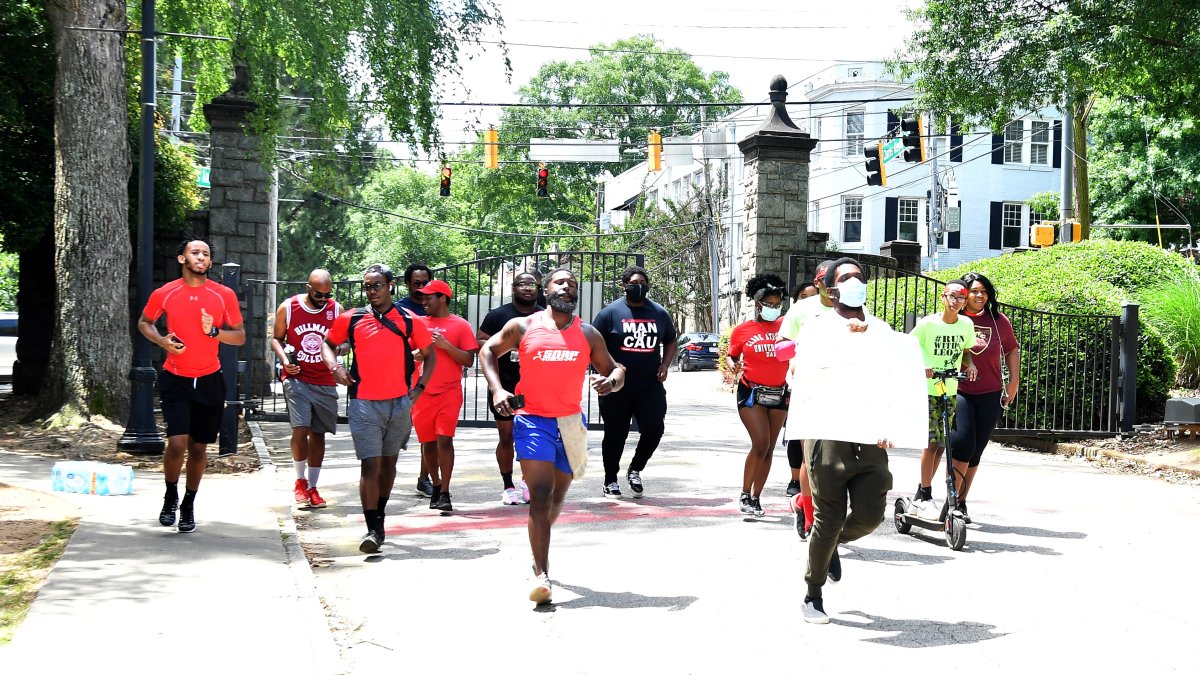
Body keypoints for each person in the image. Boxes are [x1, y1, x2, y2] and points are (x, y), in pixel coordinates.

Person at [480, 268, 626, 605]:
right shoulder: (523, 326)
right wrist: (497, 388)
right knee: (541, 495)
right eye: (560, 282)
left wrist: (611, 382)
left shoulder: (587, 334)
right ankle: (542, 575)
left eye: (572, 284)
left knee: (557, 499)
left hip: (570, 424)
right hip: (532, 420)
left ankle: (538, 547)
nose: (566, 287)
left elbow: (616, 369)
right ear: (546, 290)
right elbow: (487, 350)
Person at [790, 257, 918, 625]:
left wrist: (896, 424)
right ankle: (813, 594)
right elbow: (801, 370)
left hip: (870, 435)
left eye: (859, 277)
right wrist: (842, 340)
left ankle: (831, 544)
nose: (854, 282)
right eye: (846, 277)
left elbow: (900, 372)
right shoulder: (816, 328)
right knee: (828, 516)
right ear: (831, 290)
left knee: (870, 516)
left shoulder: (882, 330)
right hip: (828, 433)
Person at [323, 264, 435, 554]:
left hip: (399, 403)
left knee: (388, 464)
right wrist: (335, 368)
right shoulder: (352, 318)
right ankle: (372, 528)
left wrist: (419, 388)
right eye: (368, 287)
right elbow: (327, 344)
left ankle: (380, 518)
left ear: (390, 286)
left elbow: (429, 355)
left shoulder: (409, 320)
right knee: (370, 464)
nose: (372, 291)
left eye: (377, 286)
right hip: (364, 403)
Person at [138, 237, 246, 533]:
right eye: (195, 252)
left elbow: (239, 336)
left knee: (198, 448)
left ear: (210, 262)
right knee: (177, 443)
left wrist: (214, 332)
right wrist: (161, 341)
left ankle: (188, 503)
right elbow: (145, 322)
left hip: (210, 379)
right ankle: (170, 495)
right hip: (176, 378)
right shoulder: (166, 292)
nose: (201, 257)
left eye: (206, 254)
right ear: (182, 259)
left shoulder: (223, 295)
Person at [590, 265, 677, 498]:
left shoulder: (658, 312)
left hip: (649, 385)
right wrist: (605, 371)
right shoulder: (610, 313)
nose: (639, 287)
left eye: (643, 283)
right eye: (634, 283)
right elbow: (592, 344)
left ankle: (635, 469)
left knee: (654, 428)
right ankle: (610, 479)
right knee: (615, 434)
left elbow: (671, 340)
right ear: (624, 285)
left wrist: (665, 365)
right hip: (617, 386)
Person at [948, 272, 1020, 523]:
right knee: (963, 445)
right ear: (964, 294)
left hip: (990, 393)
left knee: (976, 451)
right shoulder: (955, 318)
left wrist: (1013, 381)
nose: (979, 295)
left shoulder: (998, 320)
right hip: (959, 390)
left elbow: (1011, 349)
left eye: (984, 291)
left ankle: (961, 502)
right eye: (974, 291)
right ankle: (950, 502)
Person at [269, 269, 343, 508]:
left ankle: (313, 486)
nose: (323, 299)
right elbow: (276, 339)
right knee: (301, 428)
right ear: (308, 288)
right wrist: (285, 360)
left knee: (318, 433)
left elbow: (344, 343)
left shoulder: (336, 310)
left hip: (324, 379)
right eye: (318, 294)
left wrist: (339, 349)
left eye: (327, 294)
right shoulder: (289, 307)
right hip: (297, 378)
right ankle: (299, 480)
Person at [775, 260, 835, 539]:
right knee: (810, 459)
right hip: (808, 391)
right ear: (818, 282)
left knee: (837, 460)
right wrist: (803, 346)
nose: (835, 285)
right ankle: (809, 513)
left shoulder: (857, 310)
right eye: (829, 279)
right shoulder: (802, 310)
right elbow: (780, 350)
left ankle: (812, 505)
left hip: (844, 394)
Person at [909, 280, 976, 520]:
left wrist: (971, 366)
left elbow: (966, 351)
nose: (956, 302)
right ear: (943, 297)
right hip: (929, 390)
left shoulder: (966, 324)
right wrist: (924, 364)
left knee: (941, 445)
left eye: (961, 298)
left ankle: (921, 491)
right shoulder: (928, 324)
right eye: (952, 296)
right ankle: (925, 495)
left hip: (950, 389)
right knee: (931, 443)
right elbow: (910, 345)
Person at [476, 270, 544, 505]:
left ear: (538, 289)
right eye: (521, 284)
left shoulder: (544, 315)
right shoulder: (498, 315)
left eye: (532, 285)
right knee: (506, 437)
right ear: (513, 288)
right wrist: (509, 346)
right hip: (504, 385)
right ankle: (508, 486)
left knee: (532, 436)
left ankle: (527, 481)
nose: (527, 288)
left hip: (535, 386)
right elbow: (480, 341)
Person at [412, 279, 479, 512]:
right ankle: (436, 484)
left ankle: (445, 491)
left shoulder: (460, 325)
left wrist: (445, 345)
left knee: (445, 439)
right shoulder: (418, 323)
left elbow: (468, 360)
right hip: (422, 392)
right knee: (428, 443)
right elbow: (408, 352)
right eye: (422, 297)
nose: (424, 301)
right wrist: (415, 354)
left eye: (429, 297)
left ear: (442, 298)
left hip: (449, 391)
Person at [726, 273, 790, 518]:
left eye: (777, 304)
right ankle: (745, 494)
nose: (774, 308)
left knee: (770, 448)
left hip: (780, 393)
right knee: (760, 443)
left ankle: (756, 497)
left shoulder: (787, 326)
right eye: (769, 304)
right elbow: (732, 355)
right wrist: (733, 365)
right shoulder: (743, 330)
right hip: (751, 391)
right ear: (757, 304)